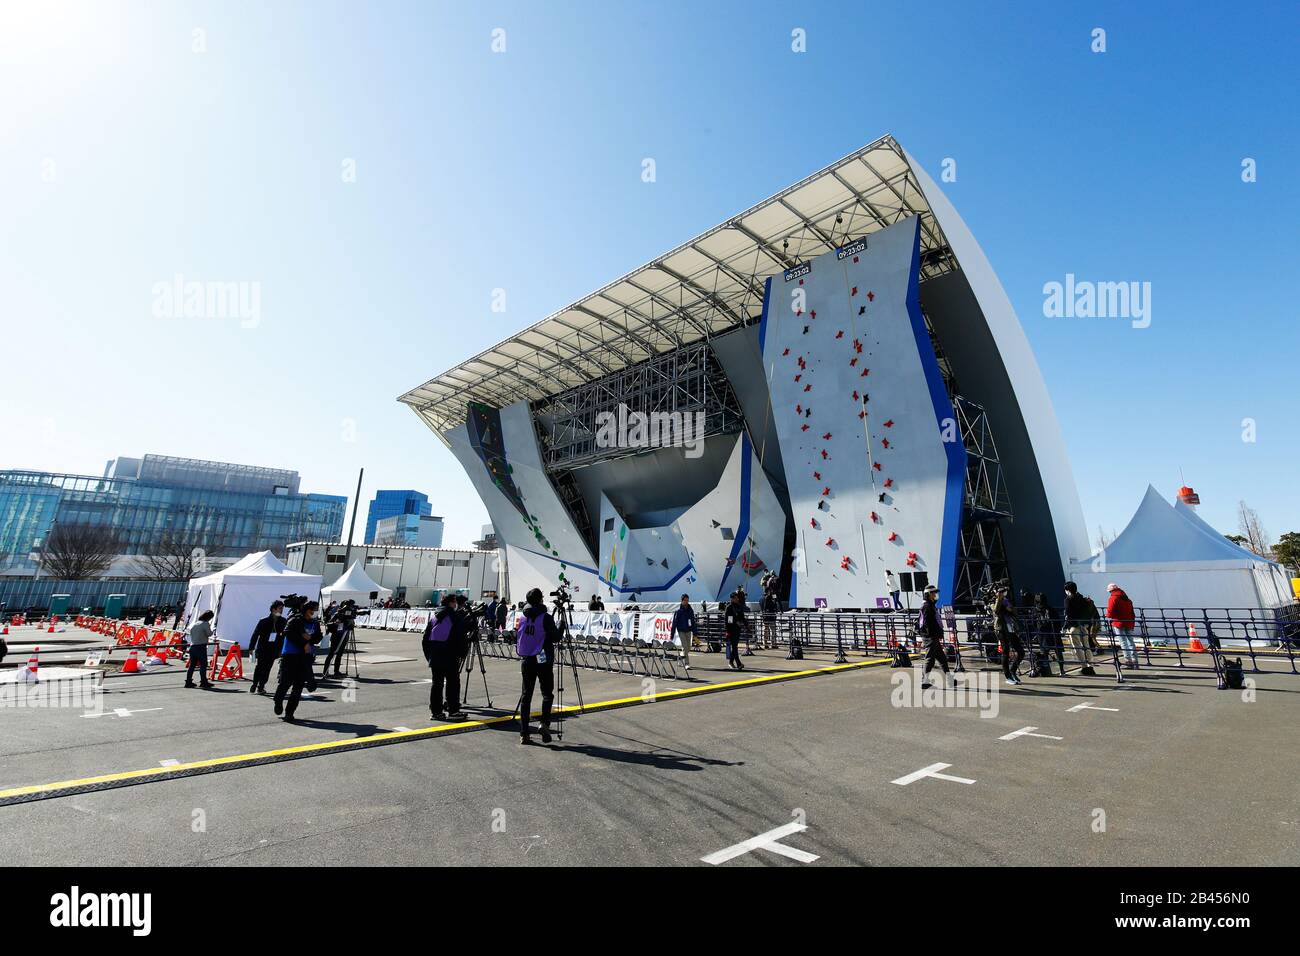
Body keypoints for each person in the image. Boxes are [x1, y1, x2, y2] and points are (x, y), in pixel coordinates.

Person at [515, 588, 558, 745]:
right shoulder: (545, 617)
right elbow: (555, 638)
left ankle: (524, 733)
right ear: (540, 600)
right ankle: (544, 723)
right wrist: (561, 627)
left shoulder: (522, 617)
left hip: (527, 659)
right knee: (547, 694)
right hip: (543, 659)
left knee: (526, 696)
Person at [274, 601, 324, 722]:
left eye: (315, 609)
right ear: (306, 609)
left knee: (298, 687)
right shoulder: (295, 619)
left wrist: (310, 640)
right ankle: (278, 700)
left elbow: (318, 636)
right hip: (290, 656)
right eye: (311, 609)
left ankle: (289, 712)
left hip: (305, 657)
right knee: (285, 683)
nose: (313, 611)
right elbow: (287, 632)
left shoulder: (314, 623)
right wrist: (303, 642)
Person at [423, 595, 467, 721]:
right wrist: (462, 654)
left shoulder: (434, 616)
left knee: (437, 684)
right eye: (454, 602)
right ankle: (453, 710)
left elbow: (425, 639)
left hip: (435, 655)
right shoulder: (454, 616)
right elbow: (461, 638)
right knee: (453, 683)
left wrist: (429, 656)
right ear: (451, 603)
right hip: (450, 654)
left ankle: (436, 712)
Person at [919, 585, 956, 690]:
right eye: (933, 593)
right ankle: (924, 681)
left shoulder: (930, 605)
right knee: (930, 659)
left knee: (942, 658)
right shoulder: (926, 606)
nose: (935, 595)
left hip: (933, 636)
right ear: (929, 594)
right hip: (930, 637)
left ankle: (950, 680)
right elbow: (927, 623)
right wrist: (934, 635)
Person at [247, 600, 286, 694]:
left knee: (267, 668)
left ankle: (261, 686)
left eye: (282, 609)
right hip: (263, 647)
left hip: (274, 648)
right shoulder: (263, 621)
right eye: (280, 608)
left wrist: (281, 649)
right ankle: (254, 684)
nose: (281, 611)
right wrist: (251, 648)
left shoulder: (283, 621)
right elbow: (255, 635)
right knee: (259, 667)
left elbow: (283, 637)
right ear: (273, 609)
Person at [1062, 582, 1097, 676]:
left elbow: (1068, 614)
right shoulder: (1082, 598)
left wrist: (1064, 627)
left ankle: (1084, 667)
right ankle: (1091, 666)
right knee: (1086, 646)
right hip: (1083, 625)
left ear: (1068, 590)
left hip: (1073, 626)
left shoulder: (1068, 600)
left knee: (1077, 646)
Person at [992, 585, 1023, 684]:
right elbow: (996, 611)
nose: (1003, 593)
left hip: (1011, 628)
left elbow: (1013, 611)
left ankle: (1013, 670)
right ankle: (1008, 676)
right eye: (1001, 591)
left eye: (1004, 591)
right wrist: (999, 599)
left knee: (1021, 652)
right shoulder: (992, 601)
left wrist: (1008, 607)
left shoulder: (1007, 600)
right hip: (1001, 629)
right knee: (1006, 651)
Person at [320, 599, 356, 678]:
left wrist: (351, 623)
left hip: (344, 636)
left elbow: (351, 624)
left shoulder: (350, 615)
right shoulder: (338, 614)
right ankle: (325, 672)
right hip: (336, 636)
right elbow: (328, 623)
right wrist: (335, 623)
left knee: (339, 655)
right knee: (331, 654)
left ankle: (336, 671)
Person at [1106, 582, 1138, 667]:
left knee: (1123, 642)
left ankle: (1128, 661)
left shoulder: (1113, 598)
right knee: (1131, 641)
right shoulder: (1126, 598)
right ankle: (1135, 660)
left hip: (1118, 622)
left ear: (1111, 591)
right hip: (1129, 622)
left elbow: (1110, 612)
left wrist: (1107, 615)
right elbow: (1132, 612)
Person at [184, 610, 215, 690]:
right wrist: (212, 630)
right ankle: (203, 681)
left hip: (193, 646)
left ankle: (188, 681)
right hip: (201, 647)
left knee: (192, 665)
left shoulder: (195, 623)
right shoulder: (205, 624)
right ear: (209, 617)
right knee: (203, 665)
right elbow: (209, 634)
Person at [671, 594, 696, 671]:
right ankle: (687, 663)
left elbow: (693, 622)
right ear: (682, 601)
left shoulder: (690, 611)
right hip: (681, 631)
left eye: (687, 600)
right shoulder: (678, 612)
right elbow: (674, 623)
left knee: (688, 648)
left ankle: (680, 658)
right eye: (685, 600)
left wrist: (695, 632)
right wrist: (672, 633)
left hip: (688, 631)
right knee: (685, 647)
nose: (686, 602)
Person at [723, 592, 746, 670]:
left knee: (735, 646)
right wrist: (727, 630)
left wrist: (746, 625)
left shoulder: (739, 606)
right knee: (735, 647)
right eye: (735, 598)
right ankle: (738, 663)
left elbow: (742, 617)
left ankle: (731, 662)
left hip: (737, 629)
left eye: (737, 598)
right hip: (731, 629)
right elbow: (727, 620)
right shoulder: (729, 608)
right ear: (732, 599)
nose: (737, 599)